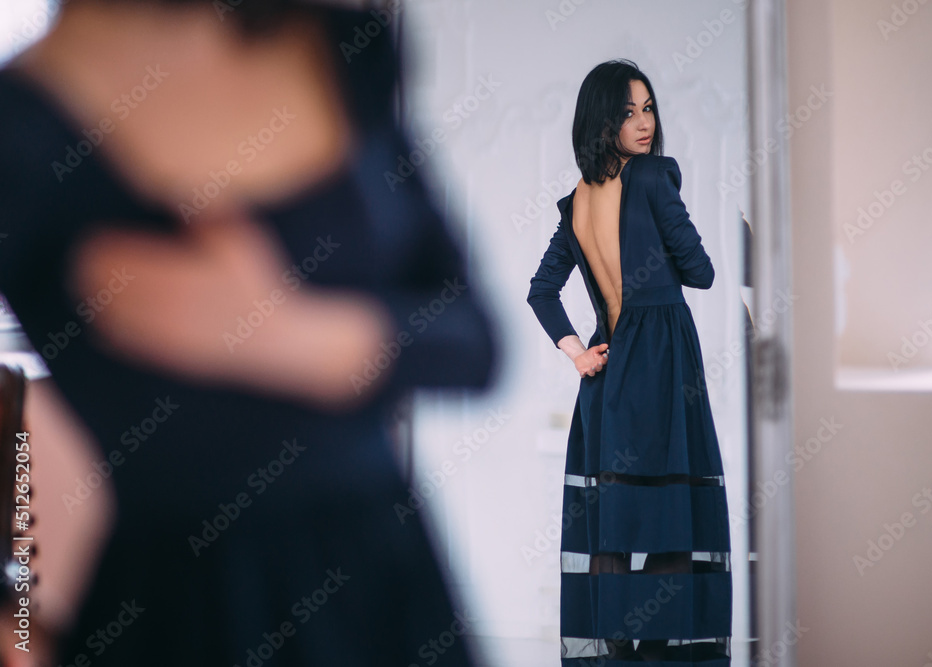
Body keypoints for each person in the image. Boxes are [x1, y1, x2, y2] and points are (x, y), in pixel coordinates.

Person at [0, 0, 499, 664]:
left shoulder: (340, 51)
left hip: (388, 585)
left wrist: (280, 333)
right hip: (179, 608)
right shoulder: (20, 124)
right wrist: (16, 625)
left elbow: (476, 344)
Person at [526, 60, 733, 663]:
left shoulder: (576, 203)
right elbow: (701, 272)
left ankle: (615, 652)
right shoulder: (651, 177)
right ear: (602, 120)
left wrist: (577, 353)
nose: (644, 123)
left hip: (610, 371)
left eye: (648, 109)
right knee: (672, 513)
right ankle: (658, 651)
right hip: (662, 364)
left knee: (613, 523)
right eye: (628, 112)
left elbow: (541, 292)